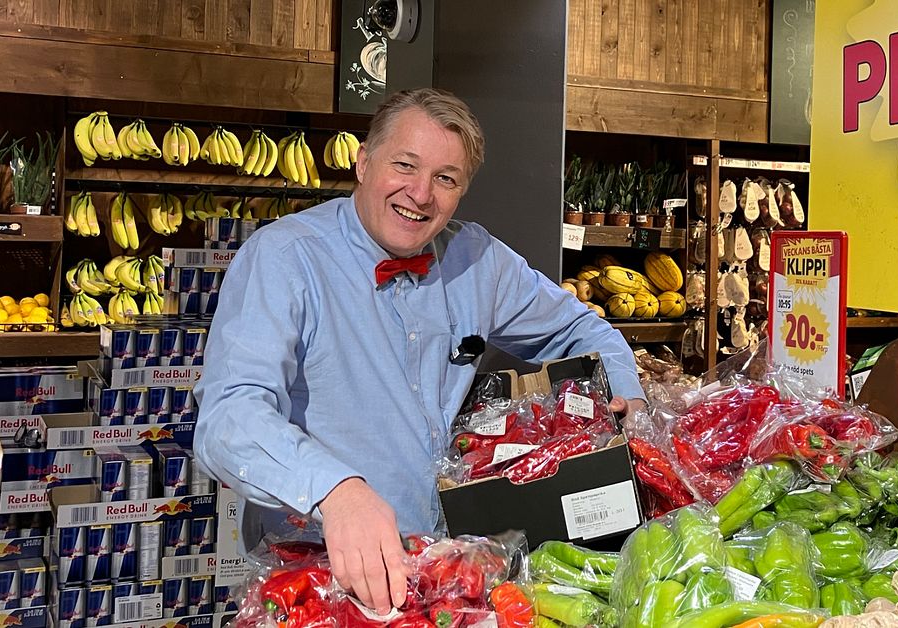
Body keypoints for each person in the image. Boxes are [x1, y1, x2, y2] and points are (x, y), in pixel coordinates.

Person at [193, 88, 646, 615]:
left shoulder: (476, 259)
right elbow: (228, 417)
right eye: (403, 165)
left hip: (449, 579)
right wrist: (335, 491)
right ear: (363, 163)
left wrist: (626, 394)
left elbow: (587, 331)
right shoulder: (283, 259)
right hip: (318, 582)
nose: (421, 194)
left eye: (446, 179)